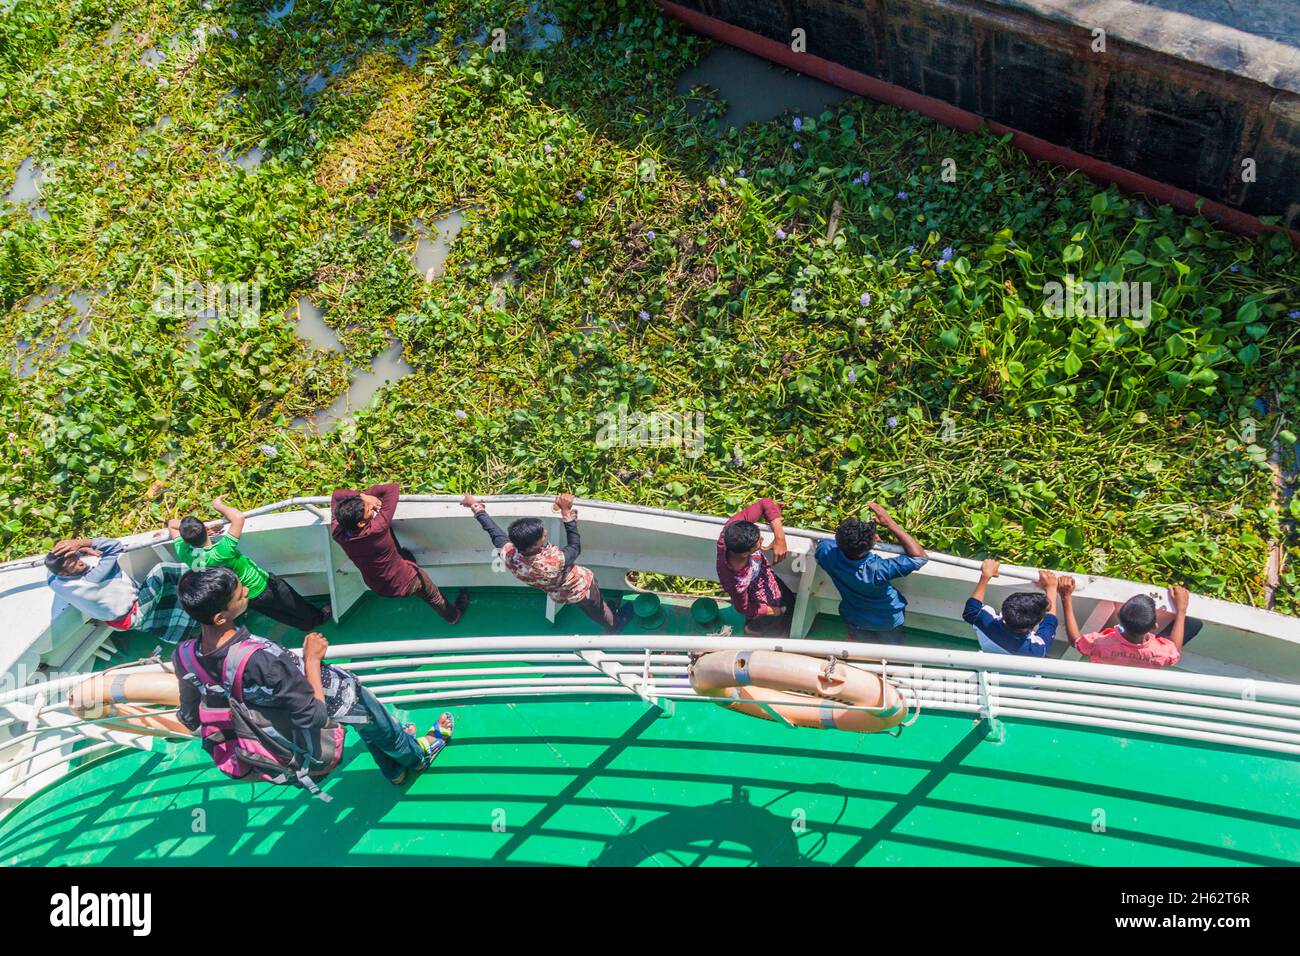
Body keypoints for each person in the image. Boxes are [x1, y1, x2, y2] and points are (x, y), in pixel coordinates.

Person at [174, 567, 453, 786]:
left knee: (370, 731)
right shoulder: (259, 659)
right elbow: (315, 717)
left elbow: (189, 716)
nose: (246, 590)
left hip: (288, 715)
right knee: (381, 729)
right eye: (240, 595)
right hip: (338, 701)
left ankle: (394, 772)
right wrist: (311, 659)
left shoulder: (184, 655)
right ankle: (417, 756)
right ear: (221, 617)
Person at [460, 492, 631, 632]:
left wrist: (475, 506)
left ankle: (603, 610)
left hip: (558, 593)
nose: (546, 533)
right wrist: (566, 513)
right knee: (596, 608)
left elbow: (493, 532)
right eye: (542, 535)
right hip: (580, 588)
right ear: (532, 545)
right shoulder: (553, 561)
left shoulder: (510, 556)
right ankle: (613, 625)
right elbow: (575, 547)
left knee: (588, 604)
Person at [168, 496, 329, 632]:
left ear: (185, 539)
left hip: (244, 597)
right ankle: (318, 618)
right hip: (261, 585)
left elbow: (171, 524)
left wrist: (197, 529)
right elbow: (238, 517)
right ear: (205, 528)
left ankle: (304, 626)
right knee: (293, 603)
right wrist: (217, 505)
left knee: (275, 613)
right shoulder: (222, 551)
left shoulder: (185, 554)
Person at [331, 481, 469, 623]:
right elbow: (392, 488)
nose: (371, 506)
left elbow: (336, 495)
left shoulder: (338, 533)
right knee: (434, 597)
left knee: (400, 554)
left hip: (377, 584)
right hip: (407, 581)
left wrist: (363, 497)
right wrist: (364, 496)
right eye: (368, 509)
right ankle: (454, 617)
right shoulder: (377, 528)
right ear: (360, 523)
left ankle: (407, 559)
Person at [45, 537, 197, 644]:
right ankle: (207, 577)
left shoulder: (56, 582)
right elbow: (114, 546)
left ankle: (181, 630)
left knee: (163, 603)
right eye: (73, 564)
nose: (79, 562)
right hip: (133, 613)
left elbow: (51, 569)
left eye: (76, 557)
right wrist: (82, 543)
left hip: (119, 621)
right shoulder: (93, 579)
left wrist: (81, 550)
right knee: (162, 570)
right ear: (63, 573)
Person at [814, 502, 927, 644]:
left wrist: (865, 539)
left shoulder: (826, 552)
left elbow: (826, 543)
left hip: (854, 616)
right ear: (873, 544)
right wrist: (890, 524)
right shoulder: (877, 570)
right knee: (892, 646)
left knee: (860, 643)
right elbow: (919, 558)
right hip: (887, 619)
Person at [1060, 576, 1202, 668]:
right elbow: (1175, 650)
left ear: (1119, 619)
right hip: (1136, 671)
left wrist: (1066, 597)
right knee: (1195, 624)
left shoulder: (1100, 643)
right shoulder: (1159, 653)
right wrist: (1181, 610)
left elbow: (1075, 641)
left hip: (1110, 663)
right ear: (1154, 626)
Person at [717, 497, 792, 636]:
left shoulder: (732, 530)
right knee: (775, 617)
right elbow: (743, 607)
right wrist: (771, 611)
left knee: (789, 599)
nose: (762, 540)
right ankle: (752, 629)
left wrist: (780, 537)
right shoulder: (735, 582)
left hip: (764, 576)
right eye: (759, 542)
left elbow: (765, 503)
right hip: (757, 597)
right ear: (746, 554)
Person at [962, 559, 1059, 657]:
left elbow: (971, 610)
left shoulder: (985, 622)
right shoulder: (1035, 649)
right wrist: (1051, 587)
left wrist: (985, 576)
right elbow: (1050, 623)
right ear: (1035, 625)